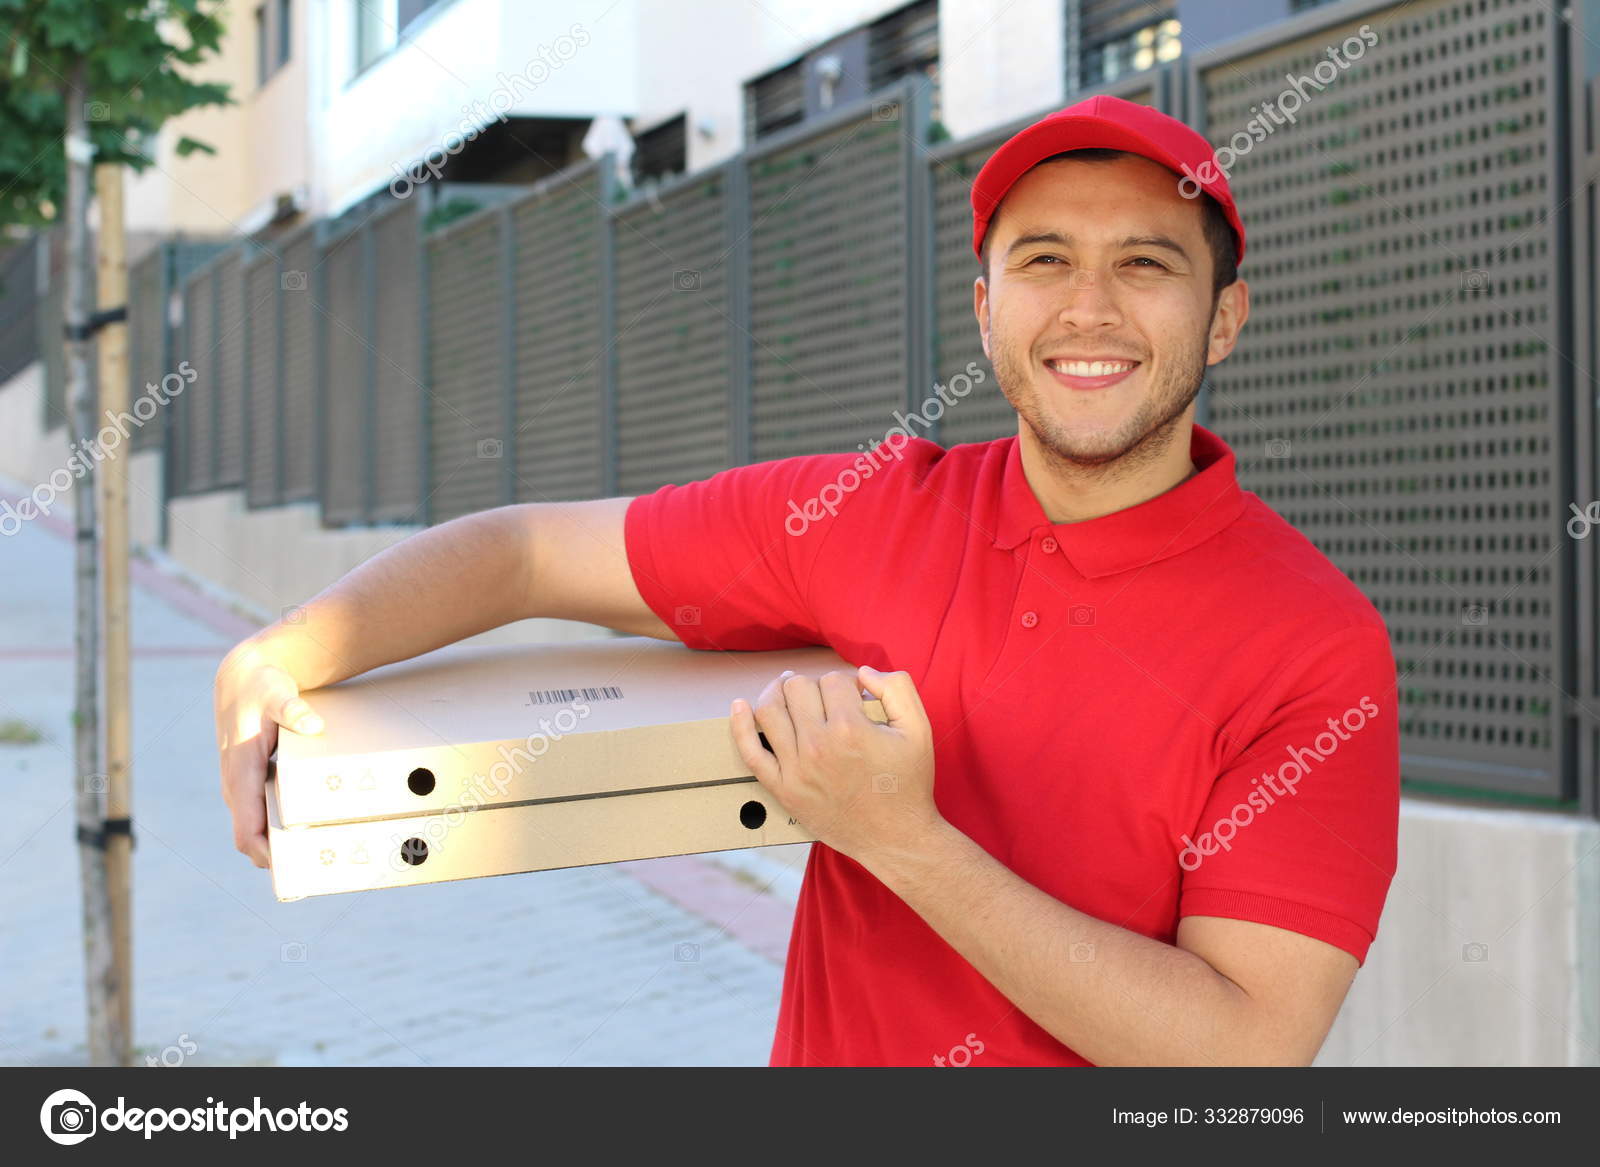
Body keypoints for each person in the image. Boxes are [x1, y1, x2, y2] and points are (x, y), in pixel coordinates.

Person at [216, 95, 1399, 1067]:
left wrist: (901, 840)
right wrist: (283, 654)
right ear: (988, 313)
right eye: (1044, 261)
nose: (1088, 307)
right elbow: (524, 552)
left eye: (1145, 263)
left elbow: (1243, 1050)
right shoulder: (872, 513)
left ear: (1225, 316)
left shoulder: (1311, 646)